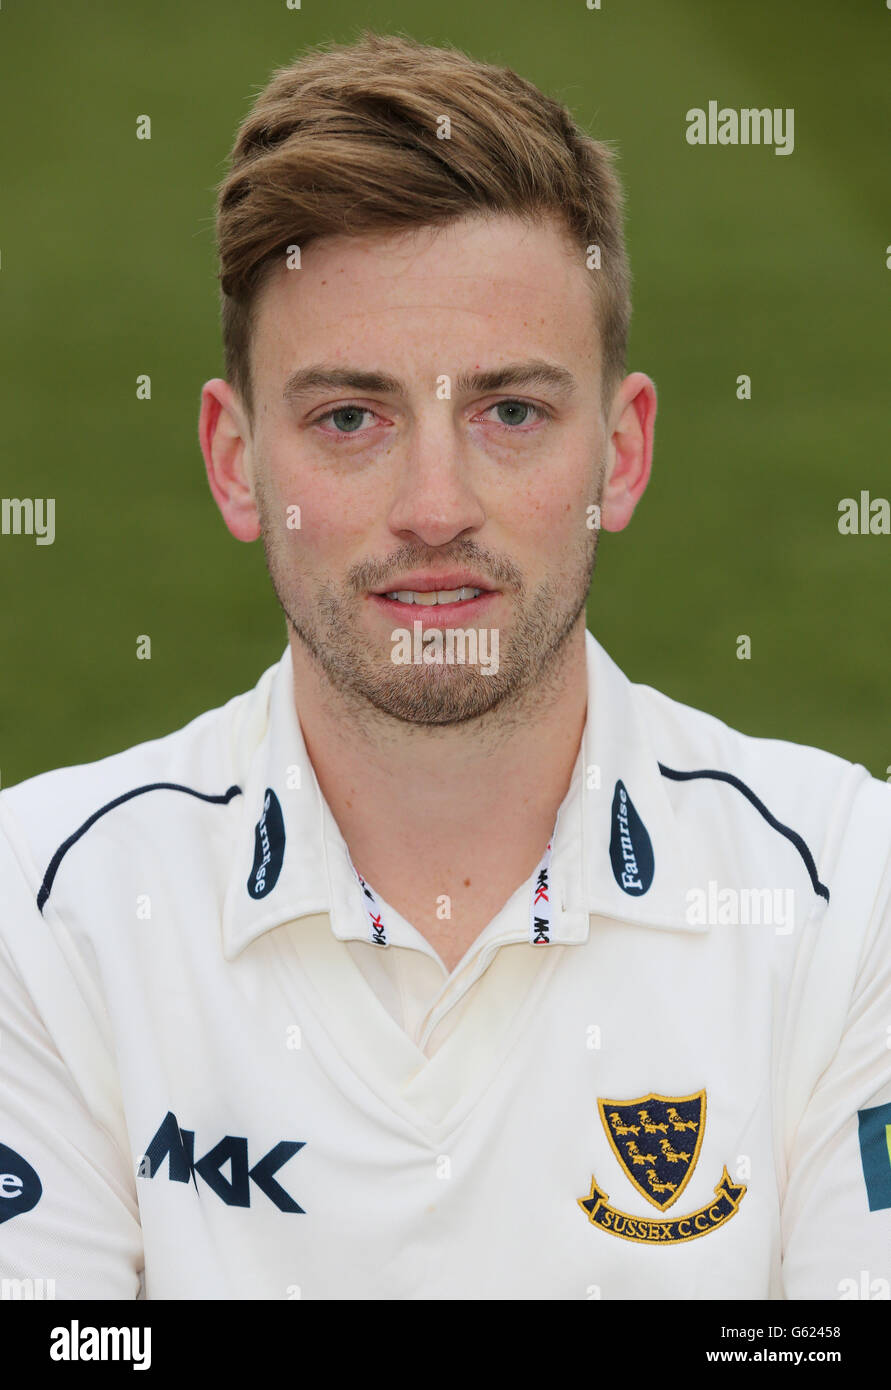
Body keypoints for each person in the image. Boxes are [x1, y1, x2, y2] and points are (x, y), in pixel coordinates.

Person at [1, 31, 888, 1302]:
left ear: (621, 453)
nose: (434, 506)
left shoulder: (852, 897)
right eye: (349, 418)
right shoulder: (39, 915)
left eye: (509, 411)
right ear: (235, 460)